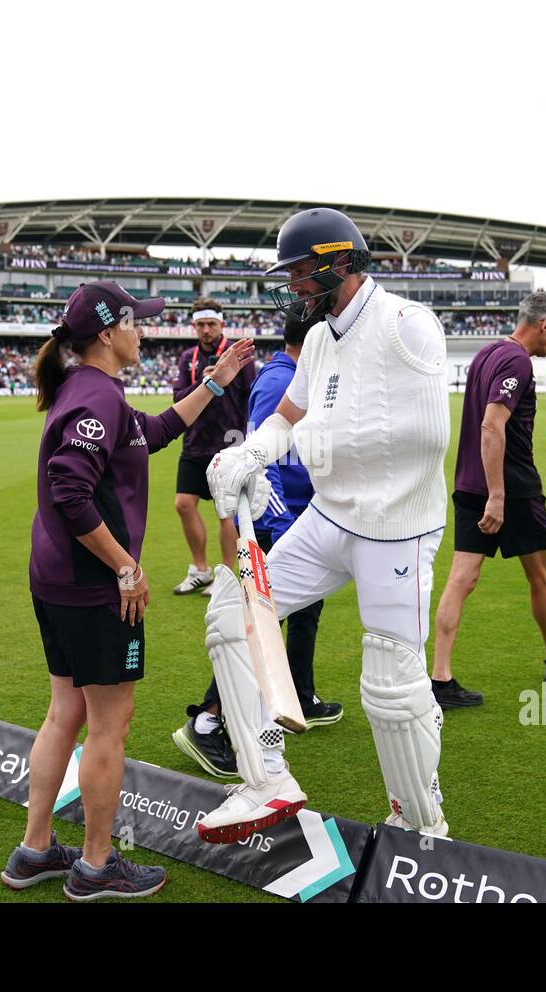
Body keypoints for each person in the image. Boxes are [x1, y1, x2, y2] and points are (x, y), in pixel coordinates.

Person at [200, 207, 452, 842]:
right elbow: (288, 416)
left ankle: (421, 828)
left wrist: (313, 438)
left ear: (342, 261)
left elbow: (427, 437)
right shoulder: (316, 339)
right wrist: (251, 453)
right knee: (232, 612)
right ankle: (266, 779)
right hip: (330, 516)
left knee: (392, 679)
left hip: (397, 527)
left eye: (303, 274)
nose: (295, 288)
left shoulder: (408, 327)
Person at [2, 281, 256, 900]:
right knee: (108, 724)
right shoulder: (94, 400)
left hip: (57, 581)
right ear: (108, 334)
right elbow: (69, 491)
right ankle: (96, 864)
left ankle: (36, 850)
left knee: (65, 711)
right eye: (136, 323)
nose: (144, 330)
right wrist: (125, 567)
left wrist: (216, 382)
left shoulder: (94, 392)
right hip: (93, 591)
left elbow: (158, 429)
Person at [171, 310, 342, 778]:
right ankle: (208, 719)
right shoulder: (279, 381)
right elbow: (265, 459)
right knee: (258, 621)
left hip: (303, 517)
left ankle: (300, 694)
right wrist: (286, 521)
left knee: (300, 612)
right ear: (314, 342)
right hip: (280, 520)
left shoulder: (292, 378)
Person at [433, 292, 546, 702]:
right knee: (542, 576)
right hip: (510, 489)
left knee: (461, 579)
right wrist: (498, 495)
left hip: (470, 482)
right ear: (544, 325)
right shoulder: (516, 361)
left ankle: (439, 679)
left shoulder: (486, 353)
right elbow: (492, 426)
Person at [170, 298, 257, 596]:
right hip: (194, 442)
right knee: (183, 504)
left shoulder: (237, 355)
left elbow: (251, 394)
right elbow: (177, 395)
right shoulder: (188, 358)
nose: (206, 330)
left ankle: (226, 574)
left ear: (221, 324)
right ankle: (201, 569)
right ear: (194, 326)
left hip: (228, 443)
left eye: (211, 324)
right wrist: (206, 382)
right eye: (200, 325)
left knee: (225, 513)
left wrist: (251, 436)